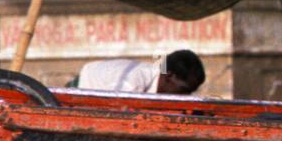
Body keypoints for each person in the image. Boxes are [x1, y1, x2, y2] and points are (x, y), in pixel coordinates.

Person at [69, 50, 205, 95]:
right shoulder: (135, 80)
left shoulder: (157, 73)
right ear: (169, 76)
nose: (187, 96)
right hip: (77, 90)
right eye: (185, 90)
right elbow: (121, 113)